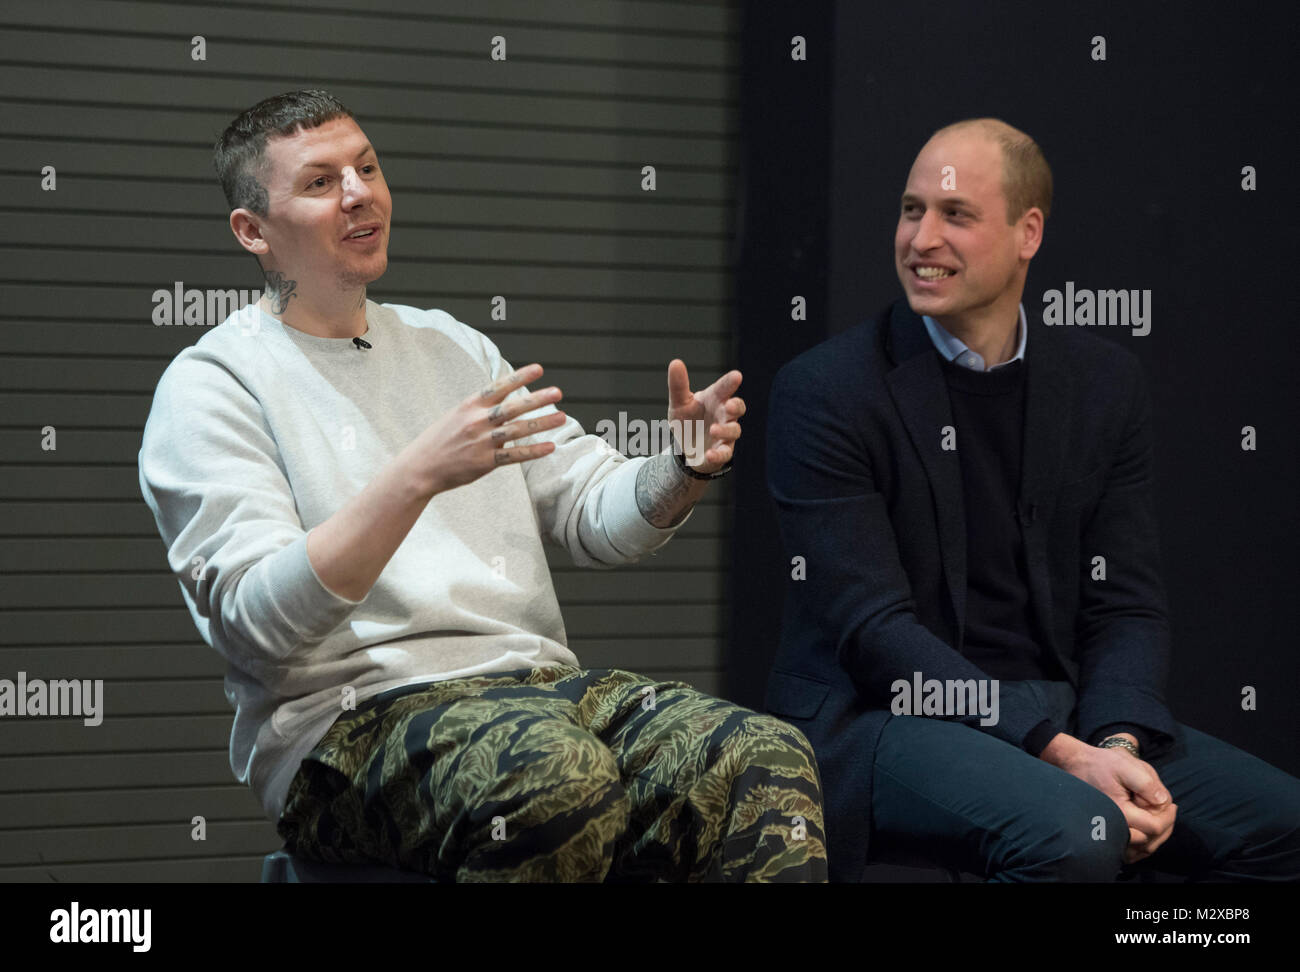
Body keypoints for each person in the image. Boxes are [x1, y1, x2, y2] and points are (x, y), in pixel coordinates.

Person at [137, 88, 826, 882]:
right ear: (253, 231)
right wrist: (417, 476)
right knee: (554, 775)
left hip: (539, 690)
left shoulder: (452, 346)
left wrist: (683, 466)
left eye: (366, 167)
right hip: (347, 728)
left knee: (759, 760)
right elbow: (257, 621)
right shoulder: (215, 384)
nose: (360, 193)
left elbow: (594, 516)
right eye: (321, 182)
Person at [764, 117, 1300, 883]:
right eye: (912, 210)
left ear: (1029, 232)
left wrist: (1114, 745)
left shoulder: (1103, 385)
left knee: (1283, 826)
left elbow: (1126, 606)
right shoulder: (826, 391)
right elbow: (873, 632)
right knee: (1077, 835)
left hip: (1067, 710)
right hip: (881, 715)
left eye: (955, 215)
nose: (921, 239)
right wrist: (1056, 749)